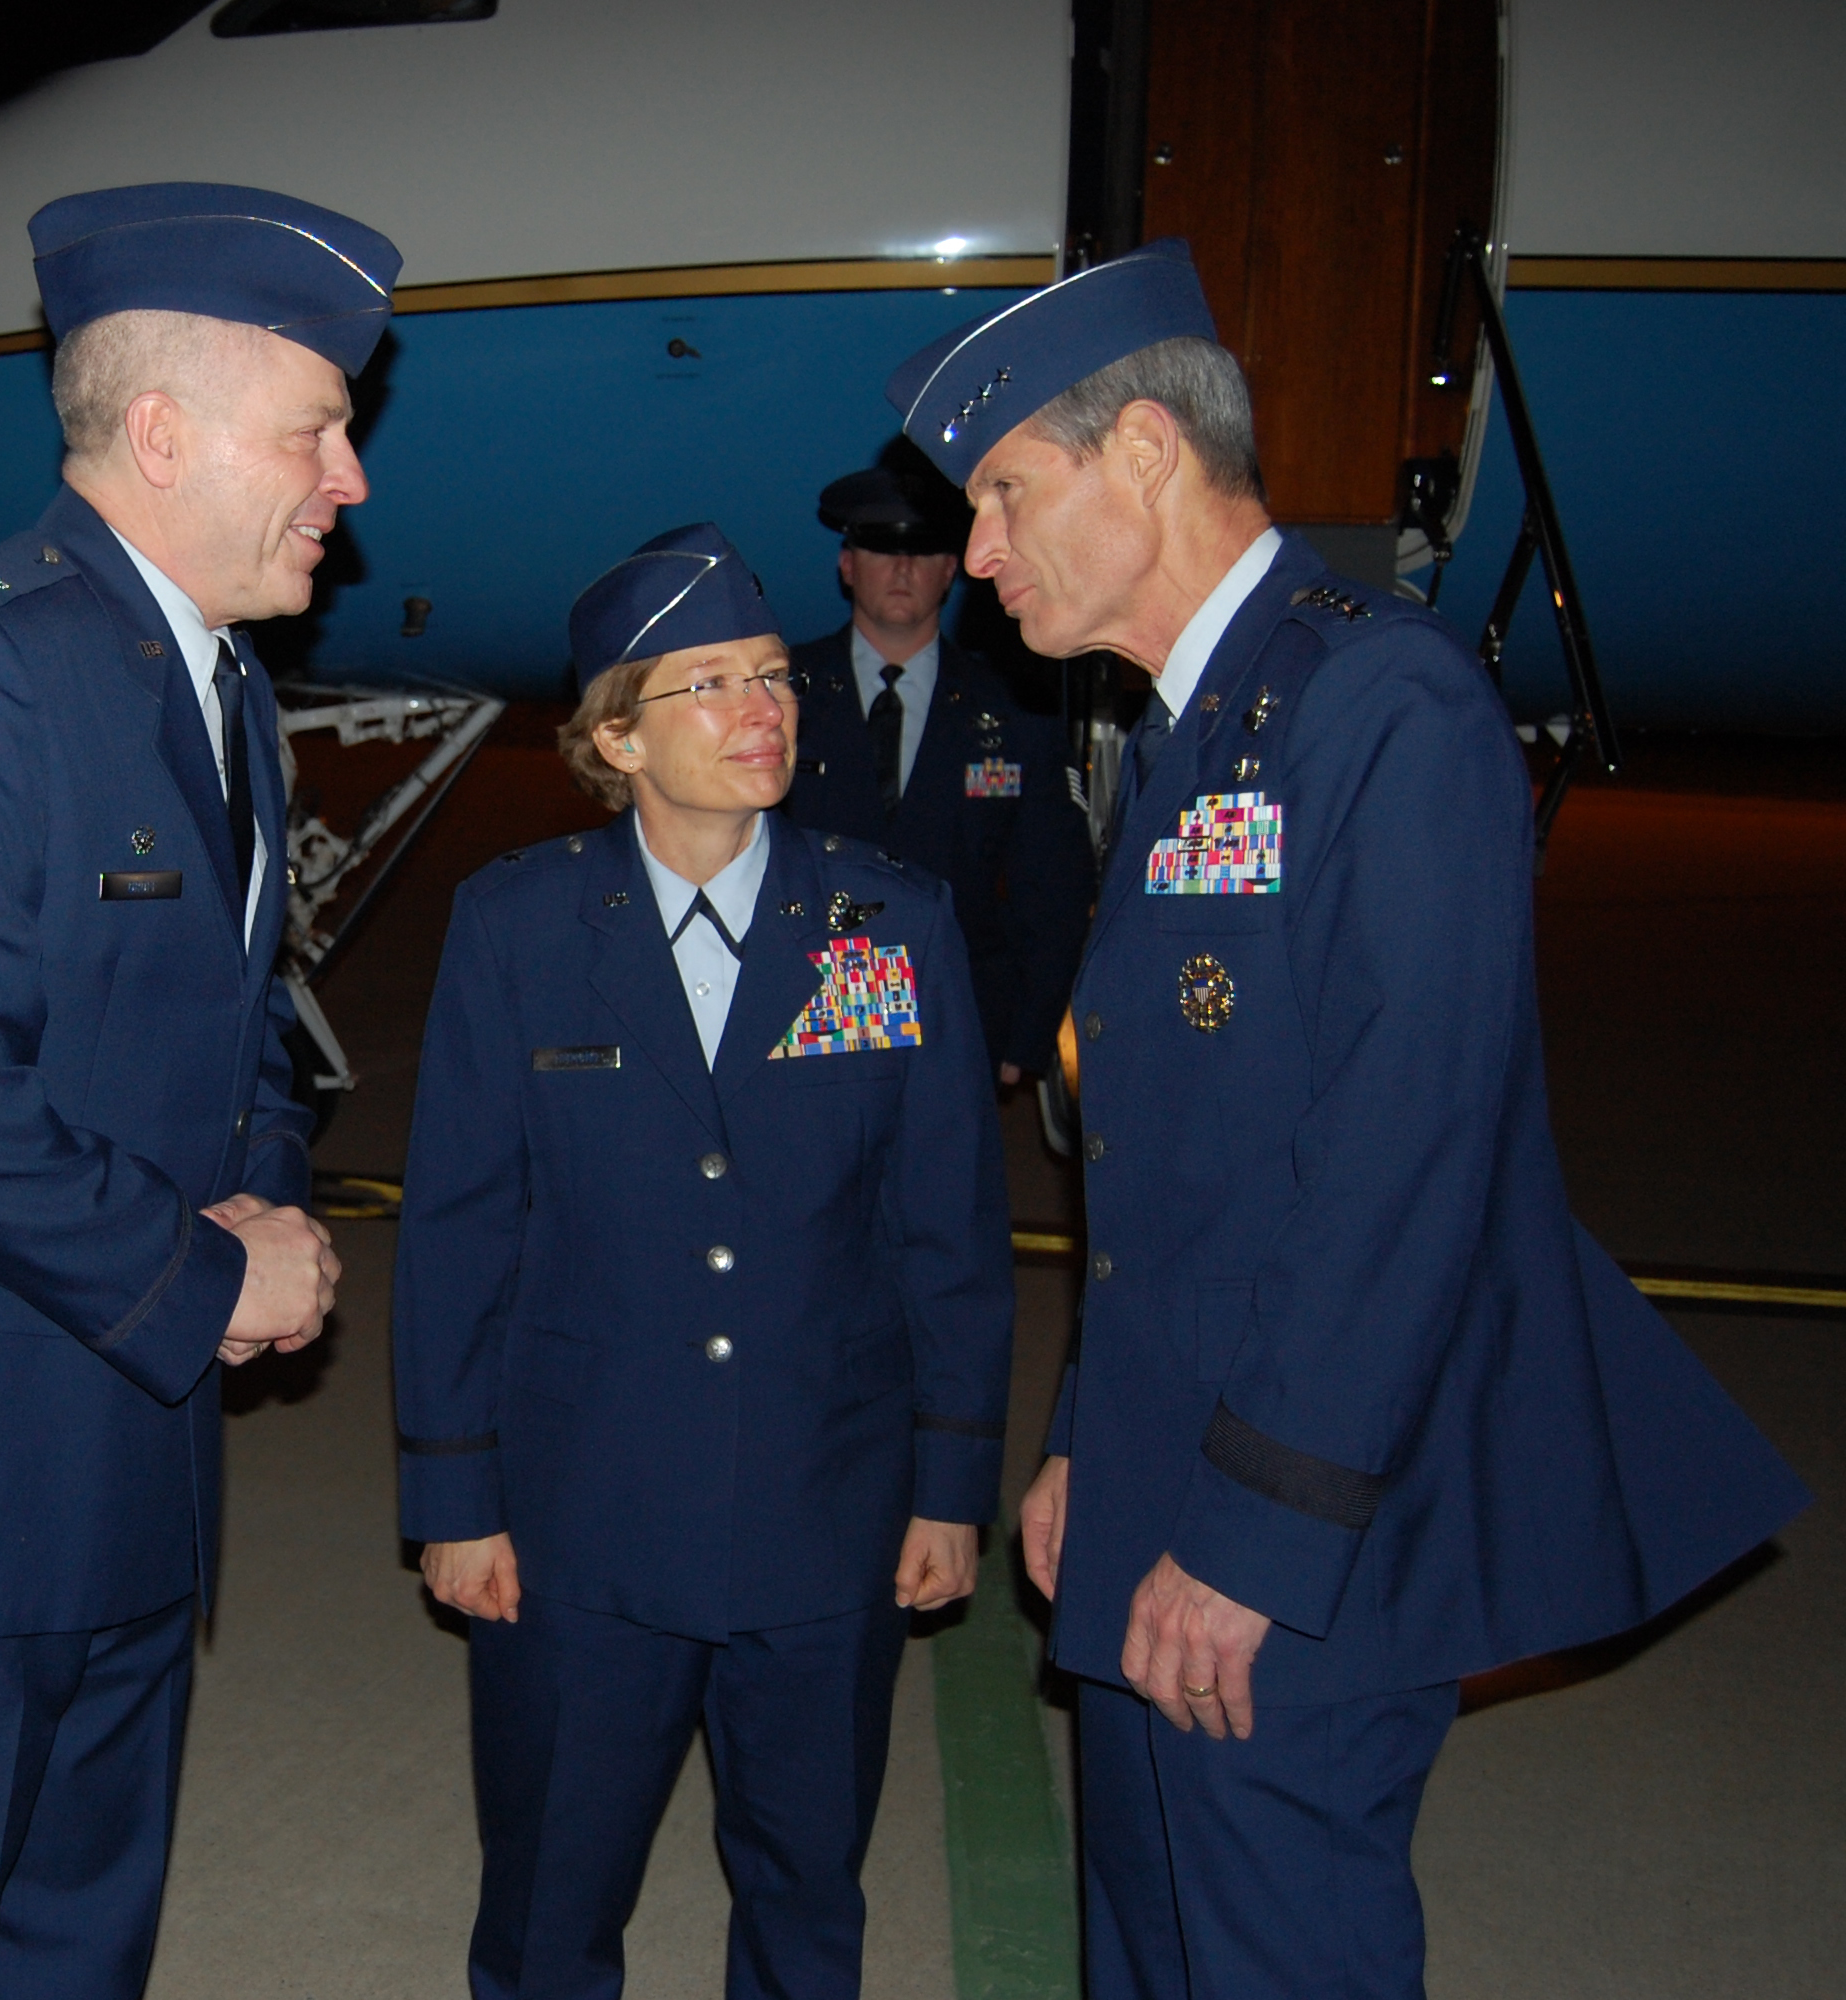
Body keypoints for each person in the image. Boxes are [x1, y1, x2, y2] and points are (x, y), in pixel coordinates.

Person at [885, 238, 1810, 1999]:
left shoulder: (1376, 705)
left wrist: (1249, 1541)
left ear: (1144, 453)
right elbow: (1171, 1170)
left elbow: (1402, 1166)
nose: (974, 551)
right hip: (1179, 1463)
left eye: (1001, 496)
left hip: (1295, 1530)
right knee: (1149, 1956)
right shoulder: (1194, 729)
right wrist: (1090, 1435)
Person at [0, 182, 378, 1998]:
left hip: (134, 1479)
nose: (348, 480)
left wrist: (272, 1197)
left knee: (76, 1951)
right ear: (158, 433)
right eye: (317, 432)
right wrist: (211, 1281)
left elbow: (243, 1024)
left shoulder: (218, 690)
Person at [393, 523, 1015, 2000]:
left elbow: (950, 1230)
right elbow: (458, 1232)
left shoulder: (888, 925)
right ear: (618, 733)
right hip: (580, 1522)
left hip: (825, 1515)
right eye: (711, 685)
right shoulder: (521, 929)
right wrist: (453, 1496)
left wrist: (949, 1485)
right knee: (553, 1899)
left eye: (773, 677)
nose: (766, 711)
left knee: (807, 1900)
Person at [782, 458, 1093, 1086]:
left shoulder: (1012, 710)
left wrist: (1028, 1034)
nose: (902, 569)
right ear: (847, 565)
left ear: (951, 569)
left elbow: (1053, 884)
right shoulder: (781, 696)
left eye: (923, 551)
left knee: (939, 1182)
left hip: (955, 1010)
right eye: (881, 549)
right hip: (802, 1003)